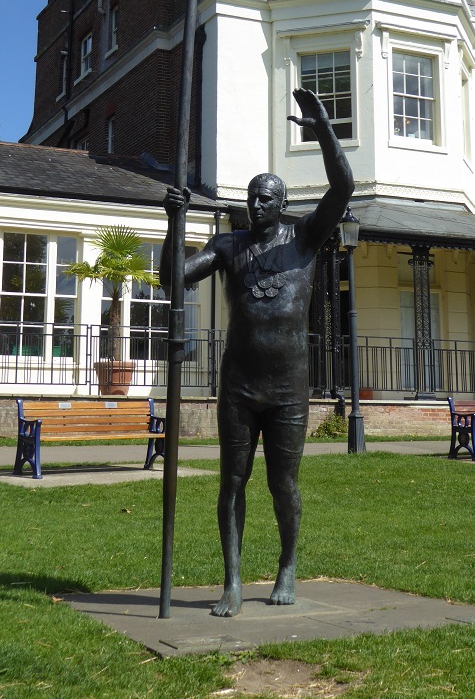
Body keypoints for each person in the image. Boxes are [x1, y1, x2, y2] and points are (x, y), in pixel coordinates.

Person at [161, 88, 354, 617]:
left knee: (282, 483)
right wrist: (174, 223)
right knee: (232, 482)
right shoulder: (228, 246)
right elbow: (171, 280)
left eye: (267, 198)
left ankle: (288, 566)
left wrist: (323, 132)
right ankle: (233, 579)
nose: (257, 204)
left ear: (283, 202)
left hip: (289, 387)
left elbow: (343, 186)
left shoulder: (306, 237)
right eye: (252, 197)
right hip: (239, 386)